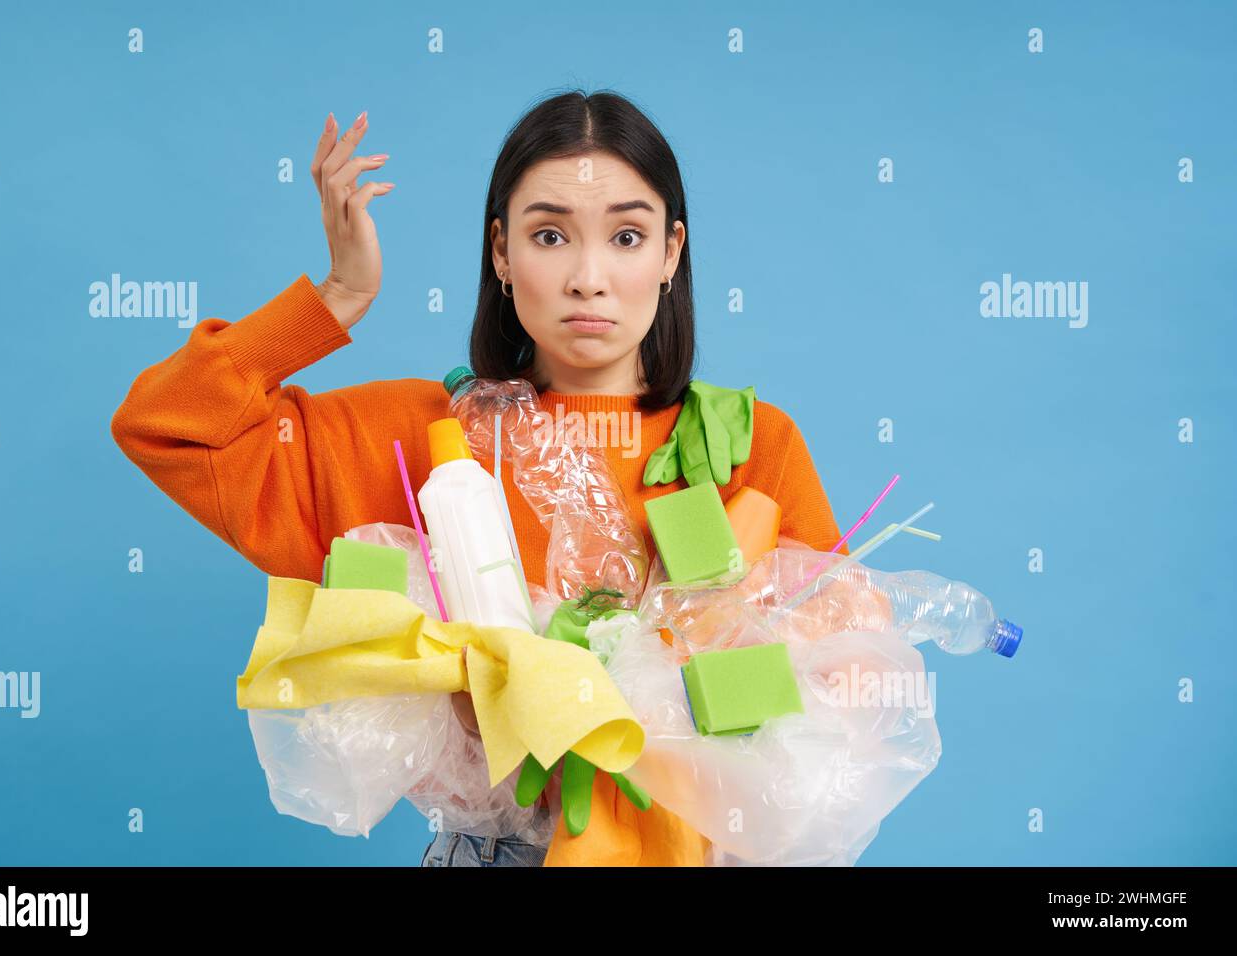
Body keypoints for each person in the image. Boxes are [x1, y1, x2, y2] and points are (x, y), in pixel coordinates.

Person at [110, 88, 848, 867]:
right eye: (551, 235)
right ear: (501, 252)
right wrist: (338, 296)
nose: (589, 277)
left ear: (670, 253)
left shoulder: (750, 447)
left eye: (627, 236)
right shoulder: (426, 440)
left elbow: (836, 679)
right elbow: (165, 425)